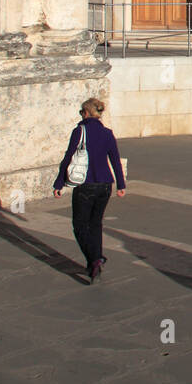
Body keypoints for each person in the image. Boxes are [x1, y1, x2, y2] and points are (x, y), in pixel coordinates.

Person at [53, 97, 126, 283]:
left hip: (86, 185)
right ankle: (96, 257)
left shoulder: (80, 131)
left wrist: (59, 183)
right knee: (95, 224)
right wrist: (121, 185)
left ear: (86, 113)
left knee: (79, 225)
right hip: (105, 186)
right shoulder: (108, 133)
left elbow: (68, 157)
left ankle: (94, 259)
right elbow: (115, 160)